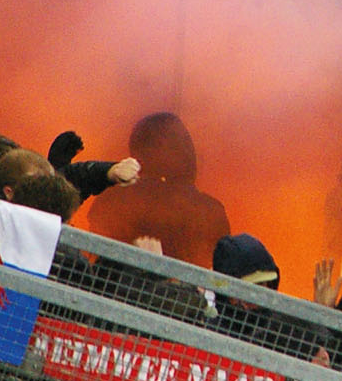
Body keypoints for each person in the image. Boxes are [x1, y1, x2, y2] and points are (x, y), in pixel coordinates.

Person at [85, 112, 232, 267]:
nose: (187, 152)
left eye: (184, 144)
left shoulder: (112, 198)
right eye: (176, 145)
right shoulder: (209, 210)